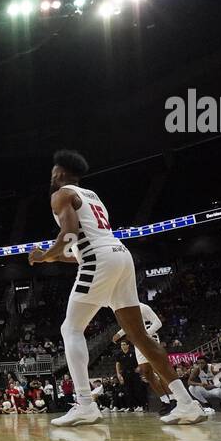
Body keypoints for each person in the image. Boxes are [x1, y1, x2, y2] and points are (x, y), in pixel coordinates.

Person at [28, 150, 204, 426]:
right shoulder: (92, 197)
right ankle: (187, 403)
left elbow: (70, 235)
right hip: (120, 255)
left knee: (70, 328)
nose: (51, 177)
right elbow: (78, 248)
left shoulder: (60, 195)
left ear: (60, 173)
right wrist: (54, 255)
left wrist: (46, 255)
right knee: (140, 337)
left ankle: (85, 404)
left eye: (52, 173)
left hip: (99, 259)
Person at [112, 302, 173, 415]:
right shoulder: (126, 310)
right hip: (138, 342)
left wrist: (144, 335)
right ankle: (165, 401)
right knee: (147, 372)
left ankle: (173, 400)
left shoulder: (143, 307)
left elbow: (158, 323)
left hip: (150, 339)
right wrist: (119, 334)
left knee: (160, 371)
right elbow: (129, 325)